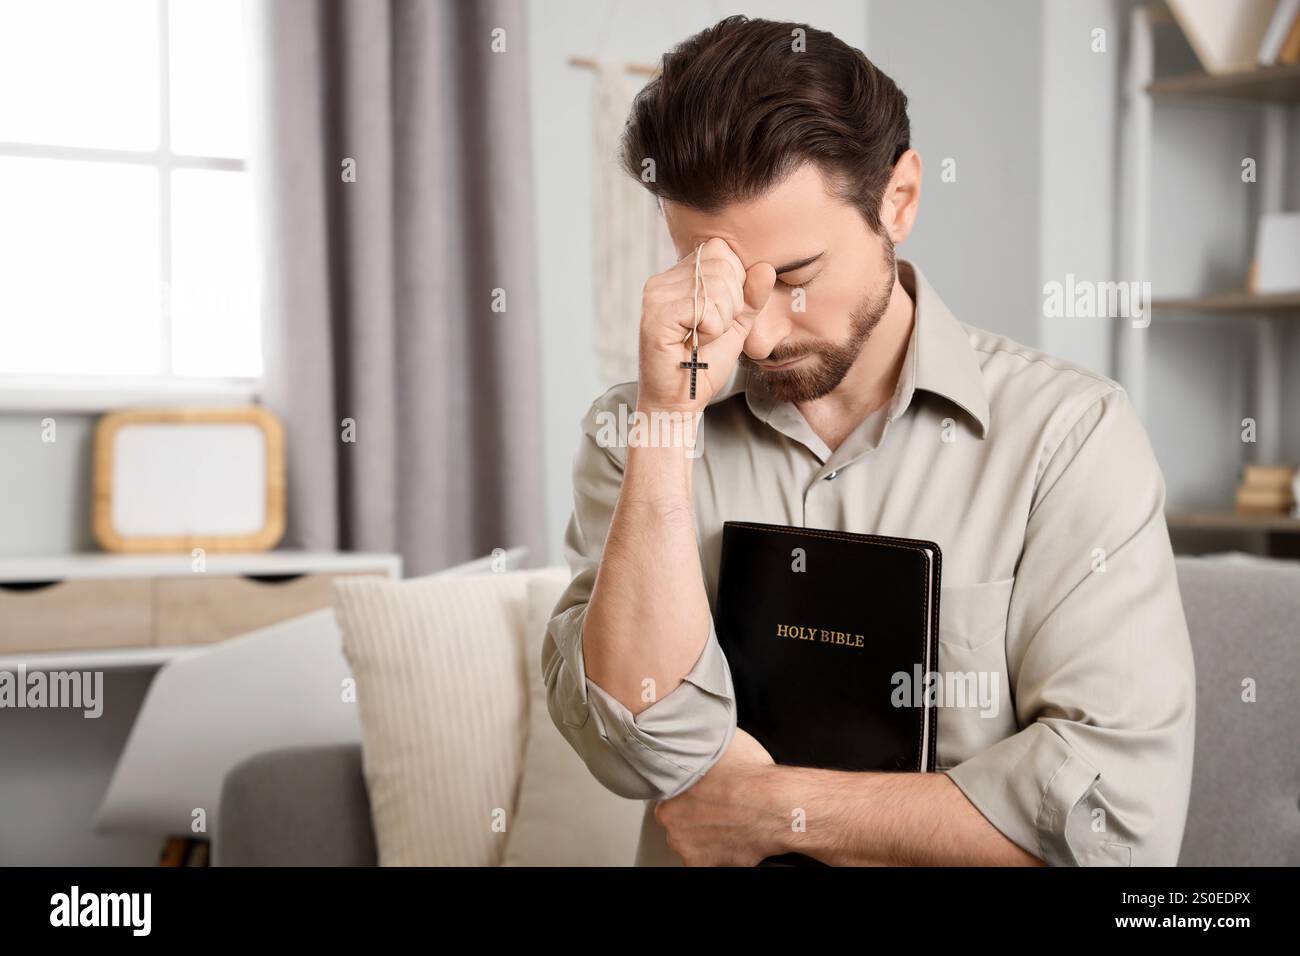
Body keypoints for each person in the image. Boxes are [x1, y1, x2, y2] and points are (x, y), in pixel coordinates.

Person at [542, 15, 1194, 867]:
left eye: (798, 279)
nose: (762, 334)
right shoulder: (640, 429)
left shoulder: (1069, 439)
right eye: (723, 279)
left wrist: (779, 811)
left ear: (900, 200)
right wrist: (668, 422)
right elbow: (638, 741)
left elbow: (1120, 828)